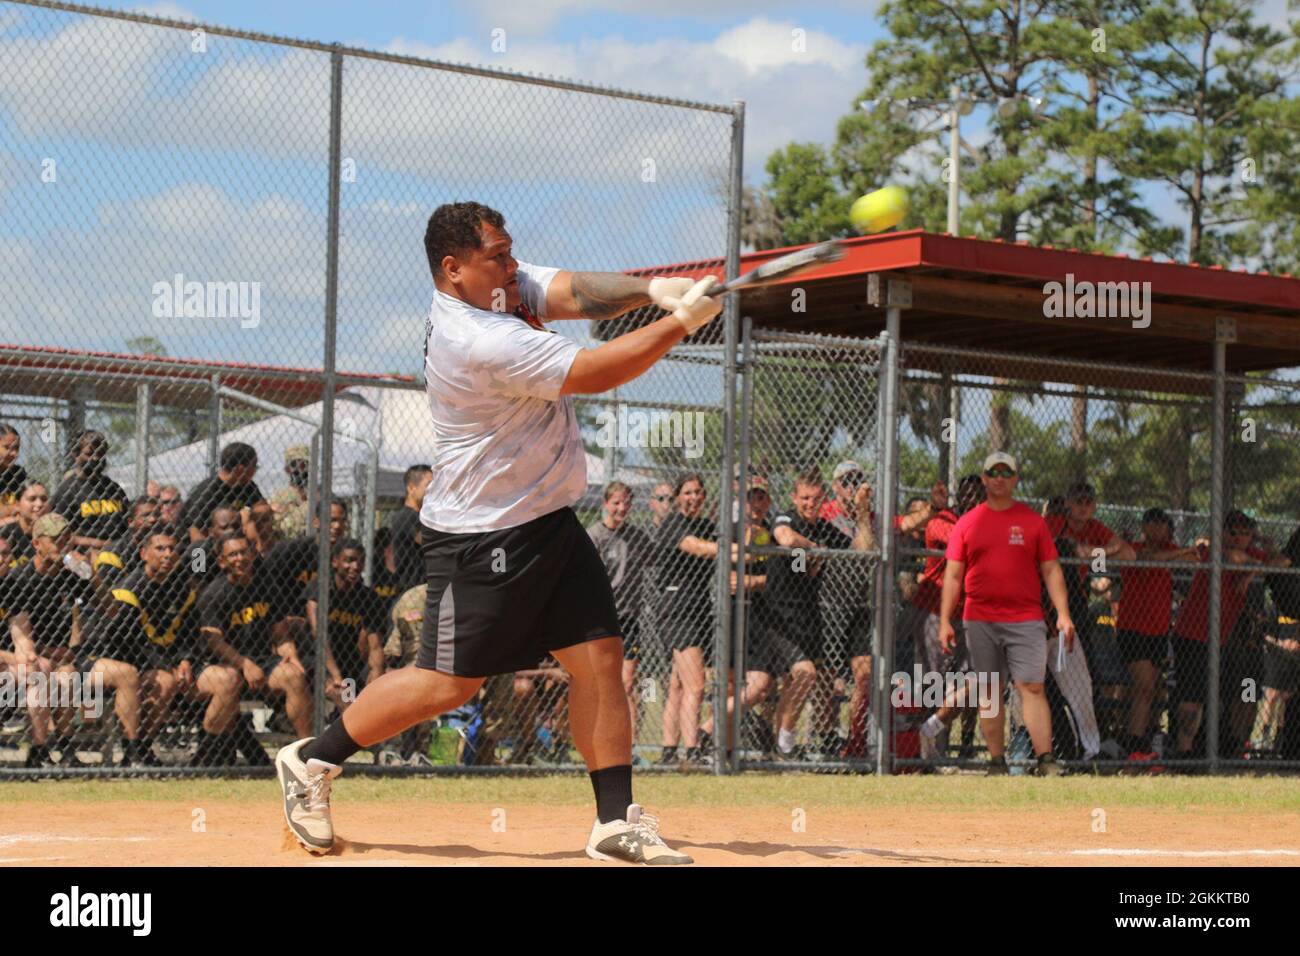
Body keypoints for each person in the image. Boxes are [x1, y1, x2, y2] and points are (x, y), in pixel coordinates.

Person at [275, 200, 718, 862]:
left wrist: (652, 289)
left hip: (552, 523)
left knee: (598, 659)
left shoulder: (500, 289)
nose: (513, 267)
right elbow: (593, 372)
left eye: (512, 253)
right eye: (498, 257)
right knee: (445, 685)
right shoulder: (475, 337)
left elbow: (572, 289)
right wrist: (679, 323)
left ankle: (614, 822)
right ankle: (313, 759)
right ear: (453, 270)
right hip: (484, 536)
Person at [938, 452, 1075, 776]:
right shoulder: (967, 524)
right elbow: (953, 576)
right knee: (989, 688)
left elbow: (1052, 571)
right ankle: (997, 762)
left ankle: (1045, 760)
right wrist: (945, 620)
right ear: (984, 479)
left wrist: (1063, 614)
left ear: (1015, 480)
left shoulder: (1032, 522)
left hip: (1026, 618)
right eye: (993, 472)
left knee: (1032, 687)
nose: (999, 478)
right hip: (980, 618)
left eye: (1006, 472)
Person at [1168, 510, 1287, 765]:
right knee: (1195, 694)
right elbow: (1235, 557)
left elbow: (1282, 562)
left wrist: (1261, 560)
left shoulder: (1253, 557)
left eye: (1247, 533)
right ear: (1223, 532)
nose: (1242, 538)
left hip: (1242, 646)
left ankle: (1234, 746)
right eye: (1235, 532)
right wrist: (1256, 567)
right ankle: (1186, 752)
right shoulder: (1216, 551)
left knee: (1243, 693)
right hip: (1196, 637)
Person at [6, 513, 116, 766]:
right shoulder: (20, 580)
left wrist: (91, 575)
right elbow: (21, 639)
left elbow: (111, 610)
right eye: (56, 540)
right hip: (30, 656)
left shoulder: (72, 574)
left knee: (66, 676)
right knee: (50, 673)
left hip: (63, 657)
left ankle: (66, 751)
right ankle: (40, 750)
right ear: (37, 544)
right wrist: (51, 653)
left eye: (67, 539)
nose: (64, 545)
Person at [762, 469, 852, 758]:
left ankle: (779, 746)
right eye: (804, 498)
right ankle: (786, 744)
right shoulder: (787, 517)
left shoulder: (824, 527)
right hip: (778, 616)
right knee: (805, 674)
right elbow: (786, 538)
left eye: (815, 498)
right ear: (794, 497)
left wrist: (860, 510)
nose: (809, 503)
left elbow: (857, 549)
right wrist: (815, 548)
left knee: (795, 683)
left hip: (808, 616)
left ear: (823, 498)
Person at [197, 534, 313, 757]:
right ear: (222, 561)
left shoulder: (267, 586)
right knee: (230, 679)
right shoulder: (213, 594)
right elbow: (214, 642)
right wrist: (244, 664)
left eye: (243, 552)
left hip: (263, 660)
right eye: (233, 554)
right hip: (224, 663)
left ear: (252, 554)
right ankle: (208, 754)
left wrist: (289, 652)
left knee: (293, 675)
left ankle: (306, 753)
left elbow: (280, 635)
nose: (240, 558)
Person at [1116, 507, 1196, 763]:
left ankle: (1148, 740)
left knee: (1156, 690)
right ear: (1145, 527)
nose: (1158, 528)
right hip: (1133, 629)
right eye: (1152, 523)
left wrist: (1184, 553)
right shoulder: (1133, 548)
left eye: (1162, 524)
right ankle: (1134, 745)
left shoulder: (1172, 549)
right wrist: (1181, 552)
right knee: (1145, 687)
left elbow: (1193, 560)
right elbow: (1152, 557)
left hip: (1159, 632)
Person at [916, 474, 985, 762]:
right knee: (932, 683)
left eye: (978, 495)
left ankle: (935, 735)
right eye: (967, 494)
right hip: (934, 611)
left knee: (975, 681)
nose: (973, 500)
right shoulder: (941, 520)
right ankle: (924, 753)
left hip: (967, 615)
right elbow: (963, 542)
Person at [656, 473, 718, 766]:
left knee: (678, 685)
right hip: (677, 607)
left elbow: (719, 541)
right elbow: (694, 547)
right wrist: (735, 550)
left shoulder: (707, 525)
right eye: (688, 492)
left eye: (698, 492)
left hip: (699, 607)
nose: (694, 498)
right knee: (696, 684)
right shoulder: (673, 524)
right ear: (678, 497)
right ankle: (692, 753)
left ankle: (669, 752)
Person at [586, 482, 654, 734]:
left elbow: (656, 558)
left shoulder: (637, 536)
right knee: (601, 681)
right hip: (600, 618)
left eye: (626, 502)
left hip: (628, 618)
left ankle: (630, 743)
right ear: (605, 504)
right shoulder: (594, 536)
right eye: (616, 502)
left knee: (627, 682)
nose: (621, 507)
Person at [306, 538, 387, 714]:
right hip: (318, 662)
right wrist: (336, 675)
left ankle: (348, 723)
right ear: (335, 562)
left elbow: (375, 646)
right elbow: (320, 637)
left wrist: (377, 673)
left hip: (349, 665)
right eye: (349, 560)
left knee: (359, 698)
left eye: (360, 561)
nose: (355, 566)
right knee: (344, 698)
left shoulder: (368, 598)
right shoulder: (320, 590)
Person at [51, 430, 129, 552]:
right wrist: (101, 544)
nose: (96, 458)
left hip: (118, 553)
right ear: (76, 454)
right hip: (83, 555)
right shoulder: (67, 491)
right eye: (89, 453)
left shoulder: (114, 489)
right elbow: (59, 534)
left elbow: (126, 526)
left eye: (101, 453)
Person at [1259, 524, 1300, 754]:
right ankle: (1262, 733)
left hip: (1294, 652)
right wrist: (1275, 643)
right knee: (1268, 694)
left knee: (1287, 695)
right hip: (1275, 653)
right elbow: (1267, 630)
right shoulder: (1278, 606)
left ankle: (1281, 737)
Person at [182, 442, 264, 543]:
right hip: (198, 548)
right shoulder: (207, 491)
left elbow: (261, 507)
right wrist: (203, 557)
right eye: (254, 466)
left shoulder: (248, 486)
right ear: (241, 469)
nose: (255, 470)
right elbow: (196, 532)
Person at [92, 496, 161, 584]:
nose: (153, 519)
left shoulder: (168, 548)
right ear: (130, 522)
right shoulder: (112, 554)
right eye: (146, 515)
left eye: (157, 514)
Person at [389, 464, 433, 591]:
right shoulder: (406, 516)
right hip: (410, 588)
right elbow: (432, 541)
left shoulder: (423, 516)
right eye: (428, 485)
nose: (433, 490)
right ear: (411, 488)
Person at [1, 480, 51, 569]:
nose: (39, 504)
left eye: (44, 499)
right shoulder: (4, 534)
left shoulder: (54, 532)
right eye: (32, 499)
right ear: (17, 504)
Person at [269, 445, 311, 540]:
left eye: (303, 465)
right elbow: (280, 527)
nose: (300, 470)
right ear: (287, 470)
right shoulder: (279, 497)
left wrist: (289, 511)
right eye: (294, 465)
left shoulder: (319, 494)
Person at [0, 424, 28, 523]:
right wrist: (11, 509)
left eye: (16, 448)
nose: (14, 454)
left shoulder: (18, 474)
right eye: (8, 448)